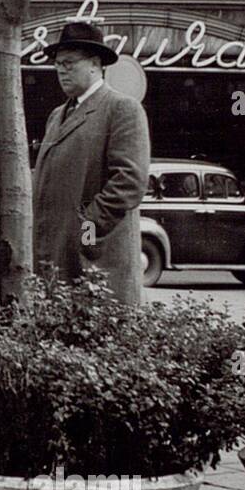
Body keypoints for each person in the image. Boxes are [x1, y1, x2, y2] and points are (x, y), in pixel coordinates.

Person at [32, 20, 150, 305]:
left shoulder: (122, 108)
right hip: (57, 257)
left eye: (69, 63)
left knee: (97, 339)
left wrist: (86, 230)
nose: (61, 70)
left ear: (95, 64)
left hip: (96, 262)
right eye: (58, 64)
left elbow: (130, 182)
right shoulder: (56, 115)